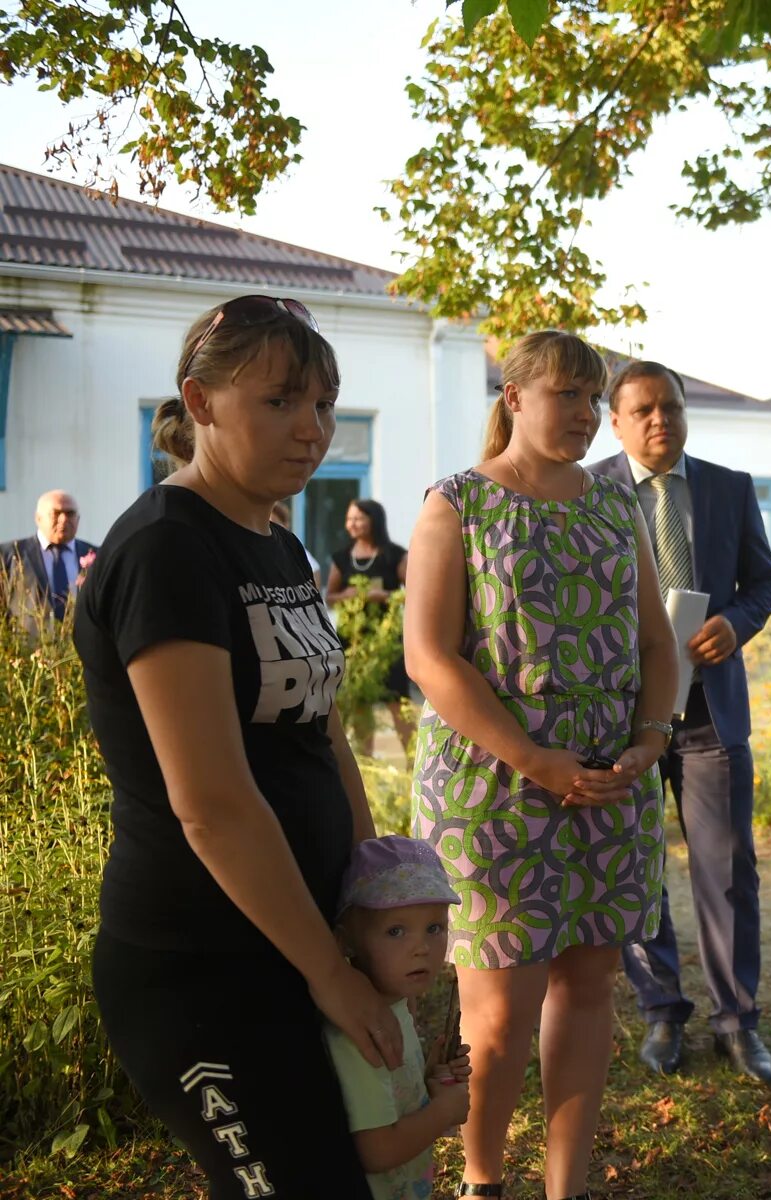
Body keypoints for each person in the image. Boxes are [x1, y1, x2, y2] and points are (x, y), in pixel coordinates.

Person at [74, 295, 400, 1199]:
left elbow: (323, 730)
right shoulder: (168, 550)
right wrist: (331, 972)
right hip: (201, 967)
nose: (313, 429)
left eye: (326, 404)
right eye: (281, 402)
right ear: (202, 402)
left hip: (294, 944)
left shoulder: (279, 544)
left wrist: (368, 893)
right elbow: (211, 806)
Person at [406, 330, 680, 1200]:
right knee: (499, 1016)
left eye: (594, 398)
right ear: (514, 394)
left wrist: (653, 737)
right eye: (568, 394)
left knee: (589, 988)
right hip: (494, 792)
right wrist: (533, 760)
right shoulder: (456, 503)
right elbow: (429, 657)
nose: (588, 414)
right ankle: (483, 1182)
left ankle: (568, 1186)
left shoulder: (613, 505)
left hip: (607, 784)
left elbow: (654, 641)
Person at [588, 361, 771, 1082]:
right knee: (636, 871)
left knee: (727, 870)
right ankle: (662, 1011)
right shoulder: (589, 491)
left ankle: (739, 1020)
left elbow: (764, 582)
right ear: (616, 420)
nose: (658, 420)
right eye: (641, 410)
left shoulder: (730, 489)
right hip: (622, 717)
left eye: (669, 406)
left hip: (710, 713)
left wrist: (736, 621)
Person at [327, 834, 472, 1200]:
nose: (422, 947)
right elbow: (377, 1150)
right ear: (346, 941)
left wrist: (428, 1083)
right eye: (396, 931)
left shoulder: (394, 1005)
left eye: (434, 928)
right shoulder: (358, 1034)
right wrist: (442, 1111)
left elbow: (391, 1104)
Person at [327, 498, 416, 758]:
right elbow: (329, 597)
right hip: (353, 640)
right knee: (359, 704)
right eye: (349, 519)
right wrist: (348, 595)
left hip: (386, 640)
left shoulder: (395, 555)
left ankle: (411, 760)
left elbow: (416, 592)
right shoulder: (342, 558)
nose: (351, 524)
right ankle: (365, 761)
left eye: (358, 518)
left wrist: (385, 597)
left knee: (396, 701)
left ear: (373, 520)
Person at [2, 490, 97, 620]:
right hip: (26, 639)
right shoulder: (9, 555)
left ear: (78, 519)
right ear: (38, 518)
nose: (63, 520)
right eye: (56, 513)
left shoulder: (95, 556)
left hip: (81, 638)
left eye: (70, 514)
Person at [270, 499, 323, 591]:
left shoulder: (298, 554)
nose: (269, 528)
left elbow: (315, 585)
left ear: (286, 525)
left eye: (273, 523)